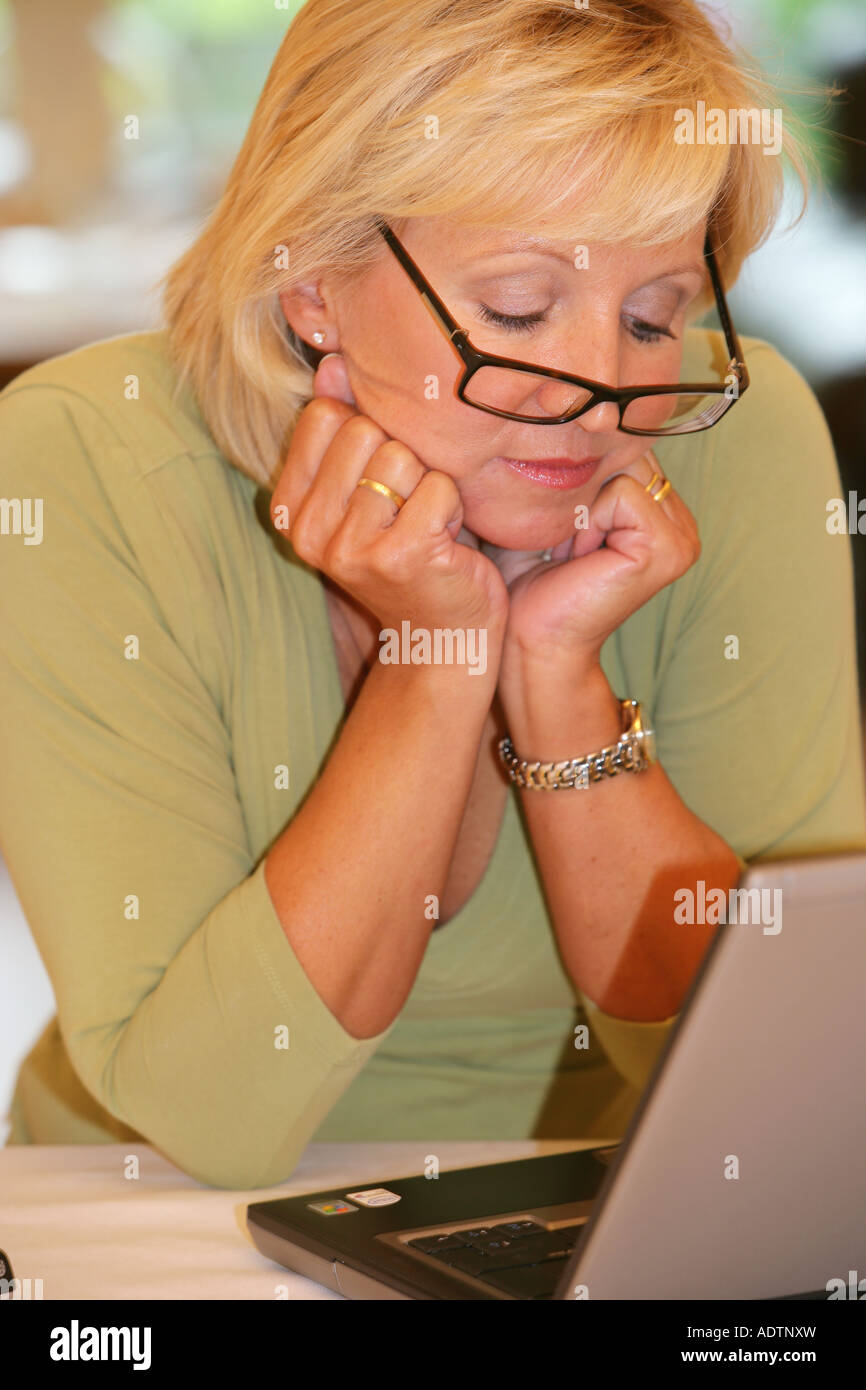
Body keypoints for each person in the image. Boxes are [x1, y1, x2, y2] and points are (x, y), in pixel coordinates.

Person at [1, 0, 864, 1190]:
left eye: (652, 315)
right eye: (514, 309)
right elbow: (216, 1113)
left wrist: (556, 678)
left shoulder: (737, 430)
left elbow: (775, 1075)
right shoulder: (78, 462)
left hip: (612, 1192)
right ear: (310, 280)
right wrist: (437, 655)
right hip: (157, 1205)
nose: (597, 391)